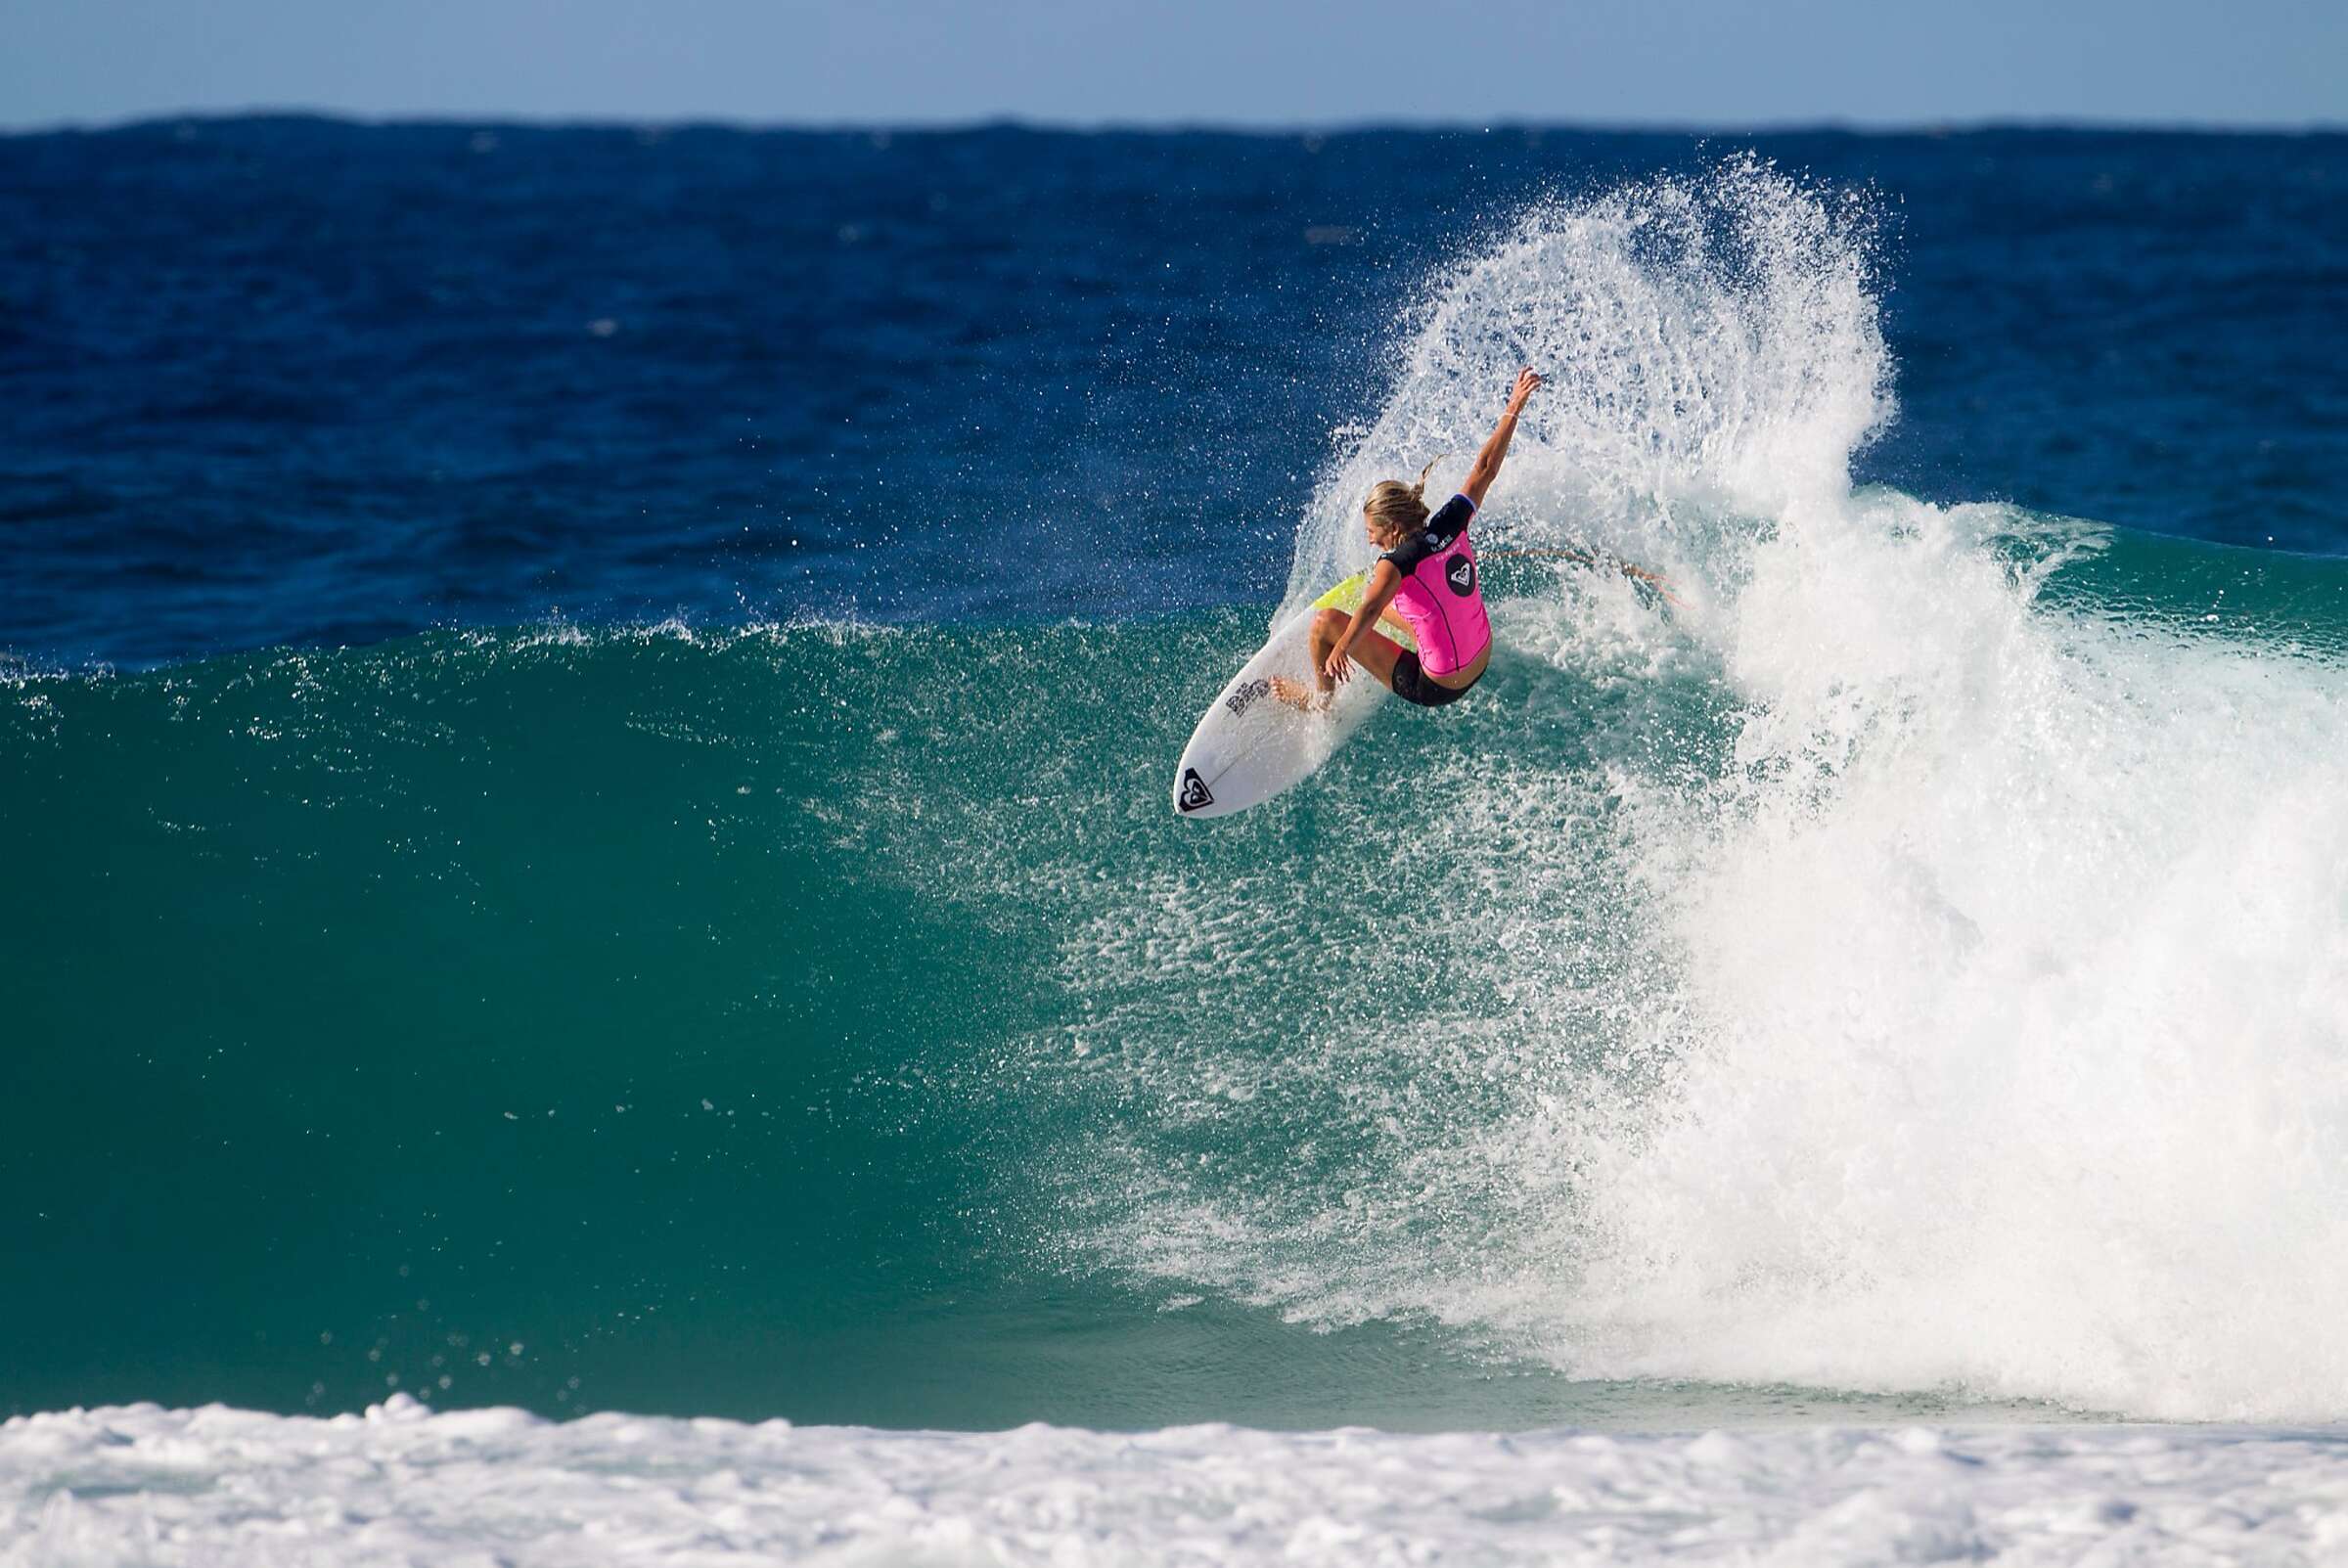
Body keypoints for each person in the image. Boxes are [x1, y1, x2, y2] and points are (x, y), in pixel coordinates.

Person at [1289, 367, 1542, 710]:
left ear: (1392, 527)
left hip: (1438, 685)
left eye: (1371, 532)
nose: (1370, 540)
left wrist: (1342, 646)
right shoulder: (1452, 520)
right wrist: (1514, 407)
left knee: (1325, 623)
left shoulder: (1393, 564)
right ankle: (1417, 635)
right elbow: (1485, 468)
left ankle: (1318, 702)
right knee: (1409, 599)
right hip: (1481, 655)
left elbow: (1372, 607)